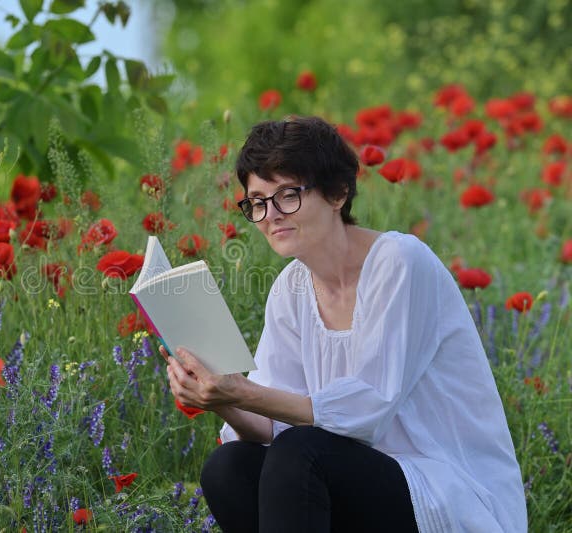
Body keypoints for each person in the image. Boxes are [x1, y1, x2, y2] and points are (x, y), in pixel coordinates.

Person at [161, 116, 527, 533]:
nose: (271, 215)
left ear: (337, 193)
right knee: (230, 465)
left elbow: (368, 409)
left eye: (287, 195)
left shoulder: (400, 262)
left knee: (301, 452)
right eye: (258, 201)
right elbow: (269, 425)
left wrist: (244, 390)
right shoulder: (291, 288)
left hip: (446, 493)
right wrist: (220, 396)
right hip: (358, 480)